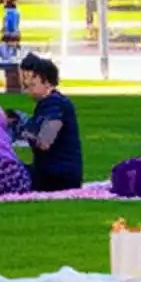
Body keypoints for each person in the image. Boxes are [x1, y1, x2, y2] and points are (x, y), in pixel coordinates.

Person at [18, 53, 83, 191]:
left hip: (58, 176)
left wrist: (22, 131)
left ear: (46, 82)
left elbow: (45, 141)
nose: (27, 90)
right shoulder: (49, 104)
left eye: (32, 85)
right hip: (54, 173)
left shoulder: (55, 105)